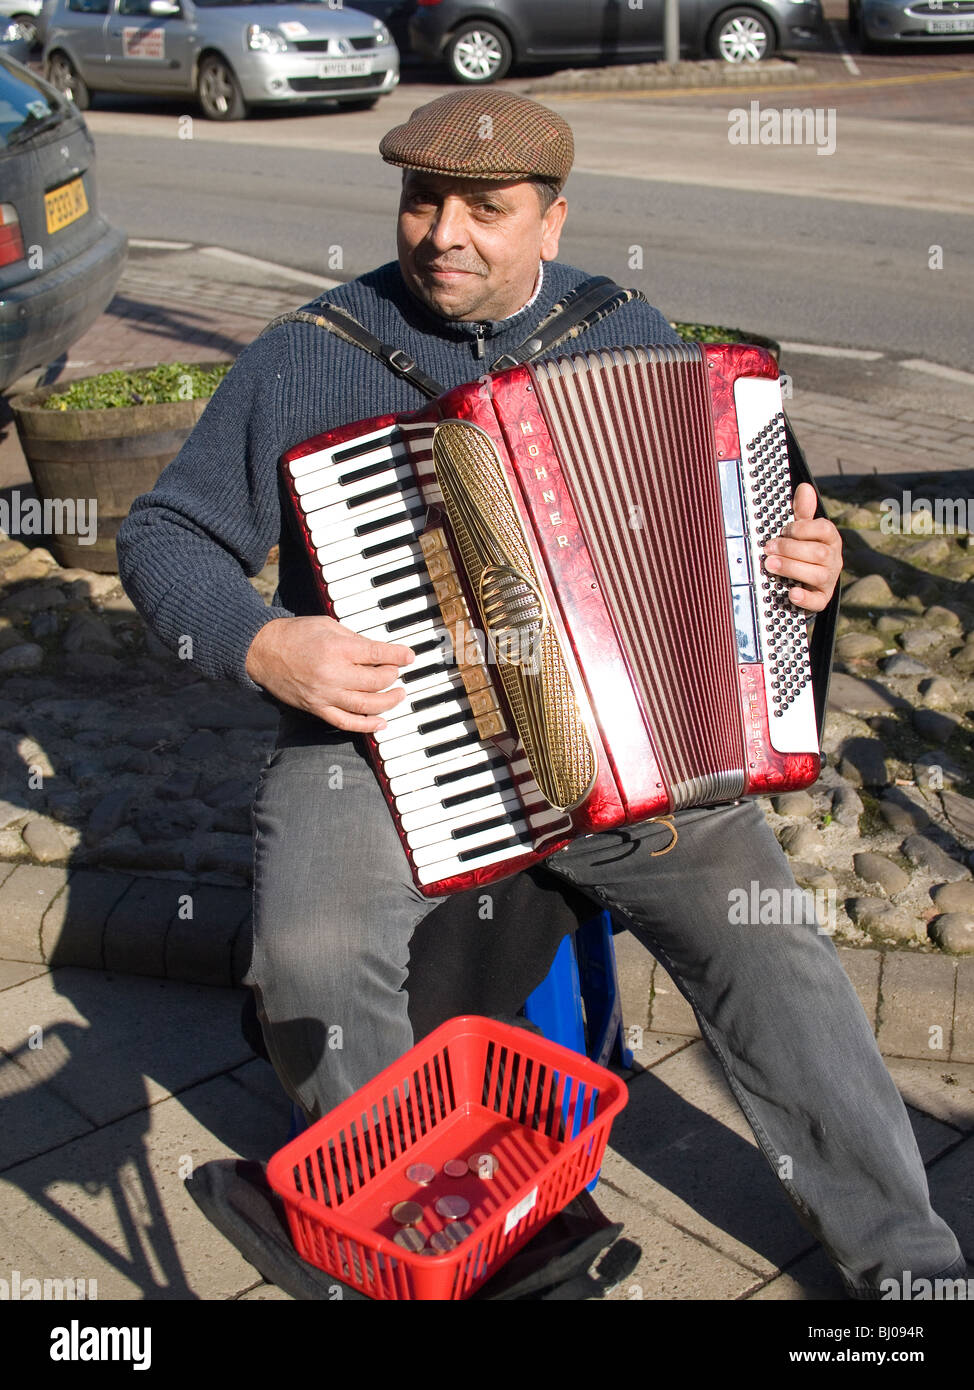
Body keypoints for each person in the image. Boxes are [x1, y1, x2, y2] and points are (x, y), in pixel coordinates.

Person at [116, 90, 964, 1298]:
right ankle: (420, 1231)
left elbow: (731, 546)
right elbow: (167, 537)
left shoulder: (628, 332)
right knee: (306, 949)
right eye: (421, 200)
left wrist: (801, 571)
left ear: (550, 223)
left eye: (483, 209)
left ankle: (911, 1267)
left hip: (616, 750)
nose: (442, 234)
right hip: (380, 742)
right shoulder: (312, 352)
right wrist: (261, 644)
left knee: (771, 951)